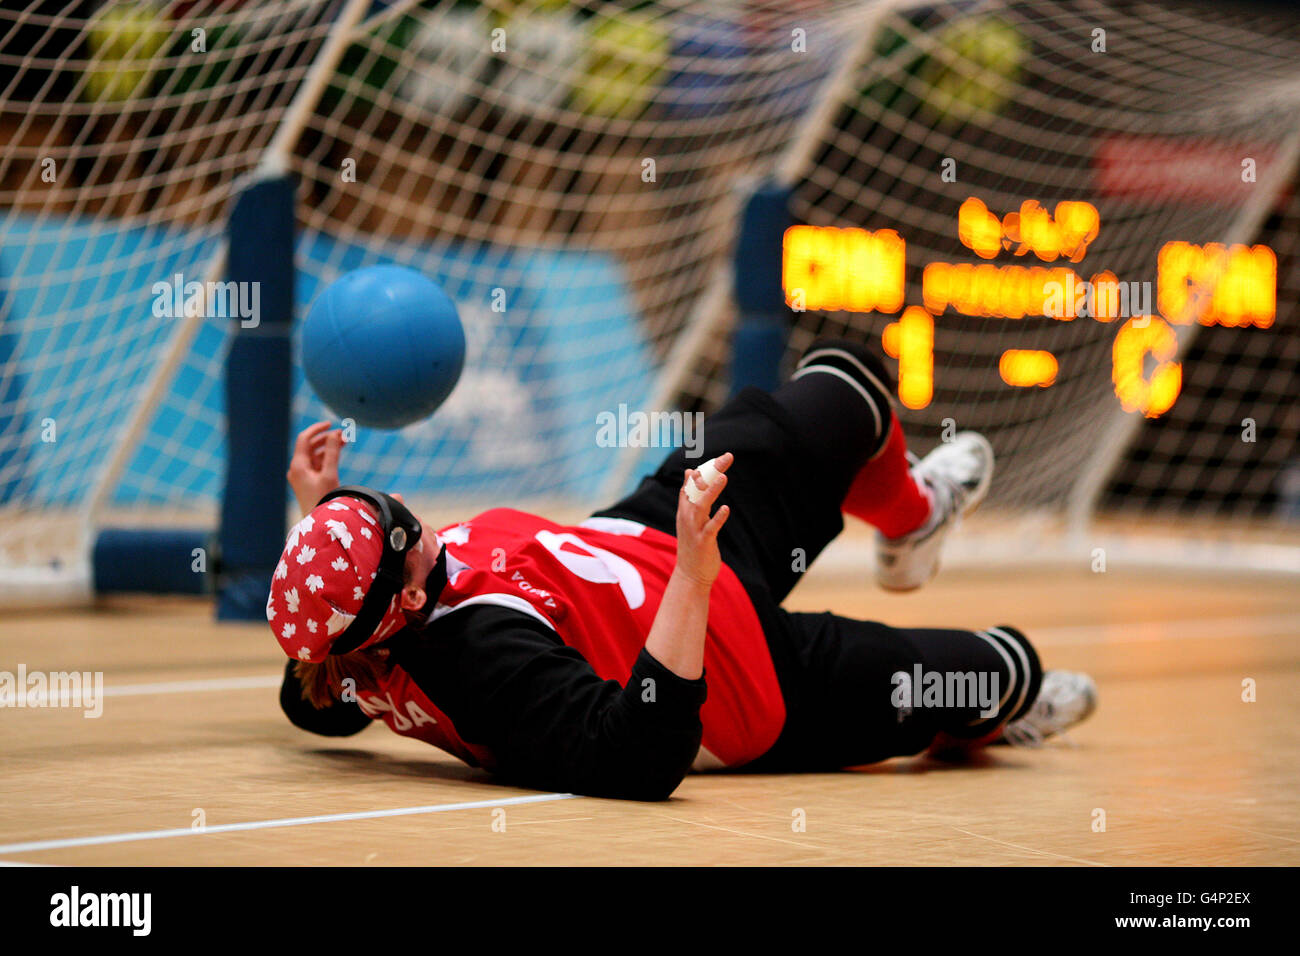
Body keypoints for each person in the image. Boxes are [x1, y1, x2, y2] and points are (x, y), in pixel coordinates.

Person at [268, 338, 1096, 800]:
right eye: (397, 529)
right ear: (408, 598)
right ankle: (989, 717)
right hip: (747, 677)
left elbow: (319, 692)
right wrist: (695, 578)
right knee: (1001, 670)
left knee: (845, 384)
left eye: (370, 508)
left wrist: (322, 518)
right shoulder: (482, 663)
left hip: (656, 531)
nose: (404, 514)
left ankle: (913, 524)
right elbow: (637, 757)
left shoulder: (364, 642)